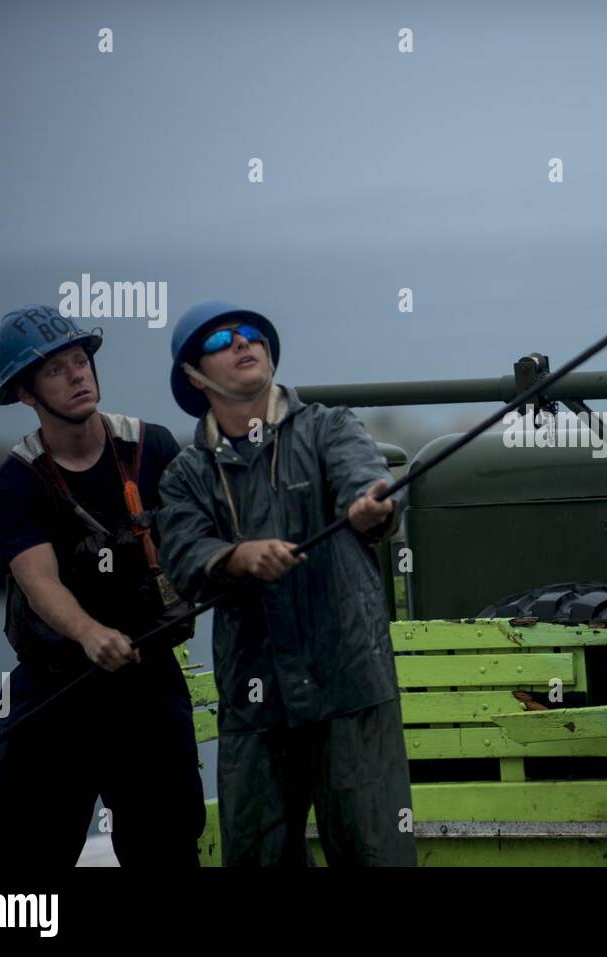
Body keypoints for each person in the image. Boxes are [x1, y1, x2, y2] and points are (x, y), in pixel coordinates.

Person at [157, 301, 416, 867]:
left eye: (252, 335)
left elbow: (368, 483)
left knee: (377, 852)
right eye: (223, 340)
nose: (244, 344)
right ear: (193, 377)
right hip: (256, 698)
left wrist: (374, 506)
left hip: (350, 684)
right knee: (255, 856)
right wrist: (237, 556)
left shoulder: (330, 426)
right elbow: (181, 553)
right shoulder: (185, 475)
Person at [0, 305, 206, 866]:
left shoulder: (152, 447)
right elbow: (38, 581)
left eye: (81, 361)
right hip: (56, 689)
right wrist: (89, 633)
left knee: (167, 845)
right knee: (24, 855)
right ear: (25, 394)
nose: (77, 375)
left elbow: (192, 539)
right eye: (55, 370)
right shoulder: (16, 480)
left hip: (146, 680)